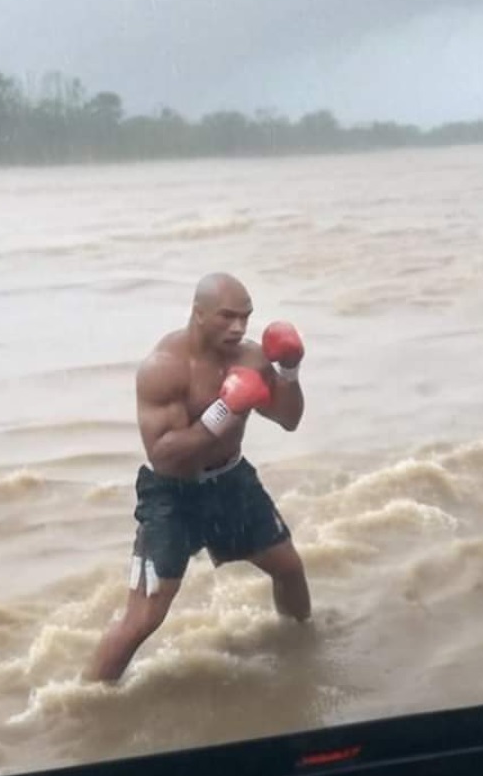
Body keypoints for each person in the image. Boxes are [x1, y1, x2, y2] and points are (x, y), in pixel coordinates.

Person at [84, 272, 311, 683]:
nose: (238, 327)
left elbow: (288, 418)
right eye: (227, 316)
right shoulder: (164, 368)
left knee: (289, 569)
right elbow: (164, 455)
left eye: (245, 317)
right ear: (198, 313)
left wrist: (290, 370)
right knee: (144, 617)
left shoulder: (251, 358)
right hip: (173, 495)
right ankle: (85, 700)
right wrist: (223, 411)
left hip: (231, 481)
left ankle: (302, 653)